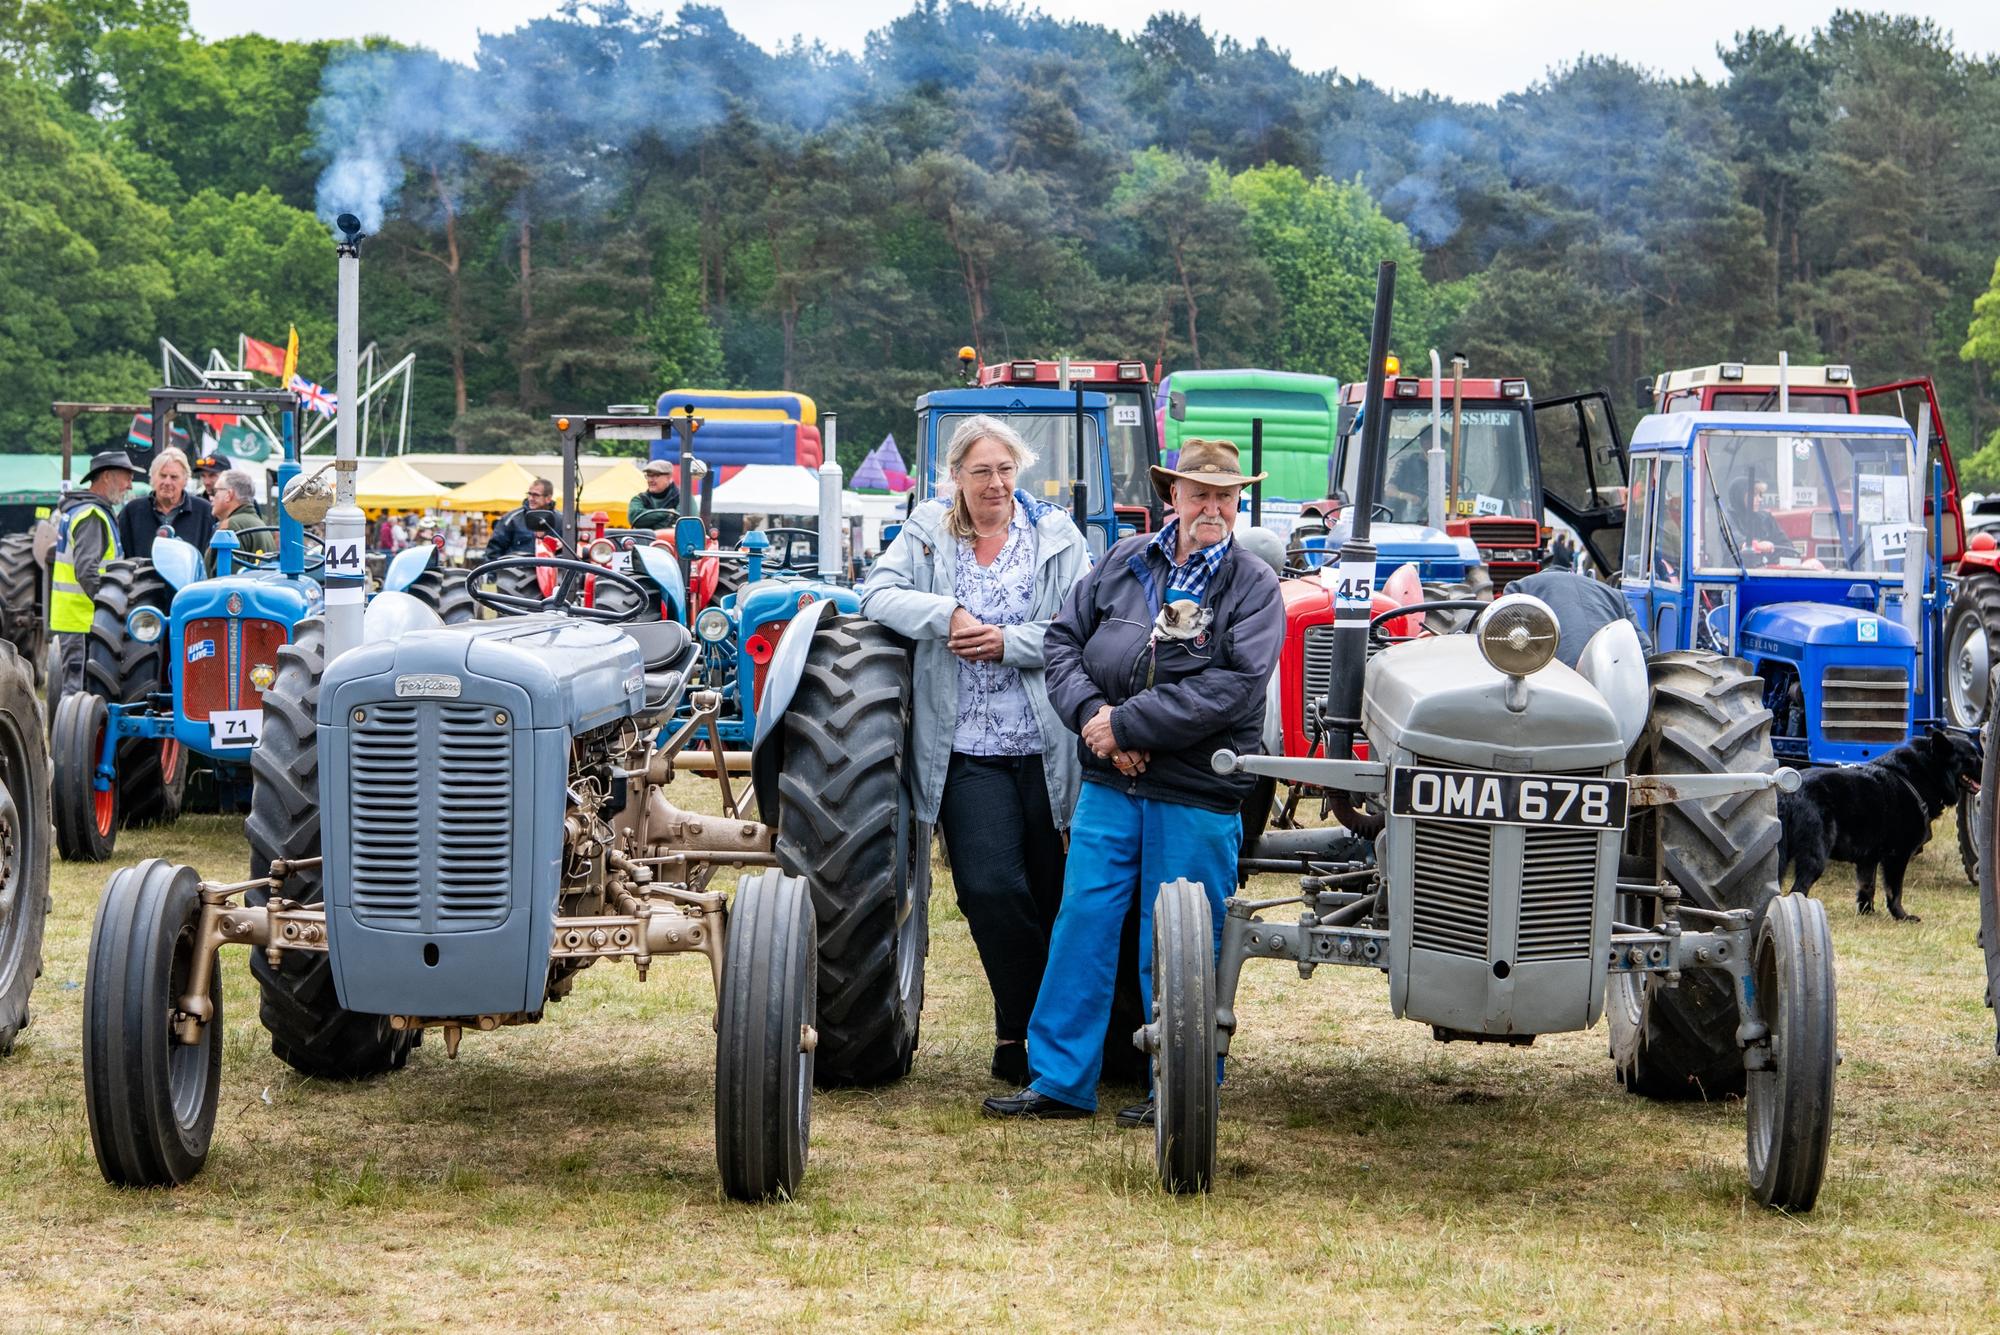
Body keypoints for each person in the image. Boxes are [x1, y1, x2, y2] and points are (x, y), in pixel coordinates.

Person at [983, 437, 1283, 1123]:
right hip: (1110, 783)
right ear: (1173, 495)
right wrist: (1095, 718)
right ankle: (1060, 1081)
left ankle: (1177, 1086)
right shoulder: (1123, 560)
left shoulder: (1253, 584)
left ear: (1238, 502)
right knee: (1081, 925)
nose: (1213, 508)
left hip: (1196, 791)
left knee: (1181, 938)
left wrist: (1127, 725)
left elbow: (1235, 686)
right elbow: (1062, 643)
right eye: (1200, 494)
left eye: (1226, 496)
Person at [860, 415, 1089, 1085]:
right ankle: (1025, 1028)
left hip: (1045, 745)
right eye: (981, 471)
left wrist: (1008, 643)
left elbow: (1080, 627)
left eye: (1005, 470)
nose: (995, 483)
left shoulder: (1056, 536)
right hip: (964, 746)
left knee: (1051, 892)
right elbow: (876, 593)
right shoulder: (928, 533)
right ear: (955, 475)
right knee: (990, 887)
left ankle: (1044, 1042)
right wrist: (947, 615)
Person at [50, 450, 136, 702]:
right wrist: (112, 610)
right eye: (126, 477)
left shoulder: (85, 510)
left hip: (81, 619)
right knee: (77, 696)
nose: (130, 485)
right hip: (84, 620)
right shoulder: (92, 515)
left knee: (79, 695)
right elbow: (87, 571)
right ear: (107, 476)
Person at [117, 446, 215, 559]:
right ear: (152, 477)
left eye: (174, 477)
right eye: (163, 476)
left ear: (185, 480)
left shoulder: (204, 512)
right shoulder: (132, 511)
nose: (167, 482)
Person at [210, 469, 272, 566]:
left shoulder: (231, 526)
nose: (211, 497)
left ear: (229, 495)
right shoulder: (259, 524)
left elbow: (228, 573)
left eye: (215, 491)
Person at [485, 477, 558, 558]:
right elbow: (493, 552)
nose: (530, 498)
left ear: (548, 498)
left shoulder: (562, 520)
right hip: (516, 566)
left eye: (535, 495)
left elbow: (568, 553)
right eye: (529, 494)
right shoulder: (511, 519)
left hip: (553, 566)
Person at [627, 459, 681, 531]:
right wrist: (668, 513)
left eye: (655, 475)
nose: (650, 480)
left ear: (668, 477)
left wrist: (648, 523)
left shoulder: (683, 499)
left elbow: (686, 524)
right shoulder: (639, 499)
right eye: (648, 476)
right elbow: (634, 519)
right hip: (645, 538)